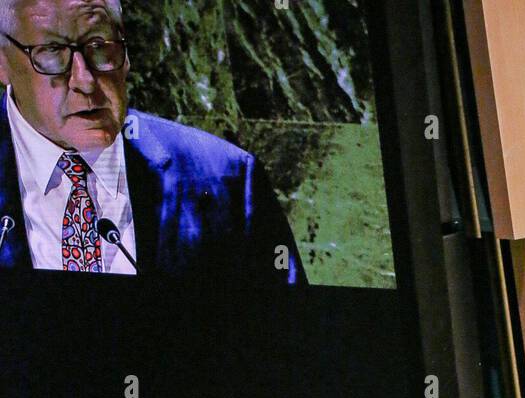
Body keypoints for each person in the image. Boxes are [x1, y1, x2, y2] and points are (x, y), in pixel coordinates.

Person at [0, 0, 305, 279]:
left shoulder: (229, 179)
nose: (85, 80)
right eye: (52, 51)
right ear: (3, 63)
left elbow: (286, 326)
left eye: (99, 45)